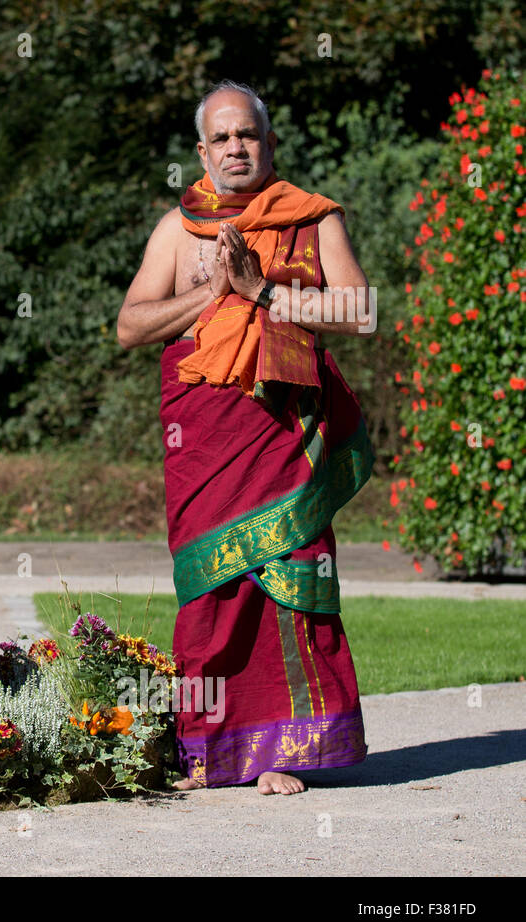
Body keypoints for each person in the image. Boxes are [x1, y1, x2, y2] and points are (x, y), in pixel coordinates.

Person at [117, 81, 374, 795]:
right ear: (202, 152)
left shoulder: (311, 219)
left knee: (290, 584)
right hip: (204, 445)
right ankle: (204, 748)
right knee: (211, 593)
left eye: (248, 135)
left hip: (282, 441)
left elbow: (360, 309)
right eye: (222, 138)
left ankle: (283, 749)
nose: (236, 147)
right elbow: (130, 325)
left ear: (269, 143)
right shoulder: (179, 230)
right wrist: (213, 291)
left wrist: (262, 292)